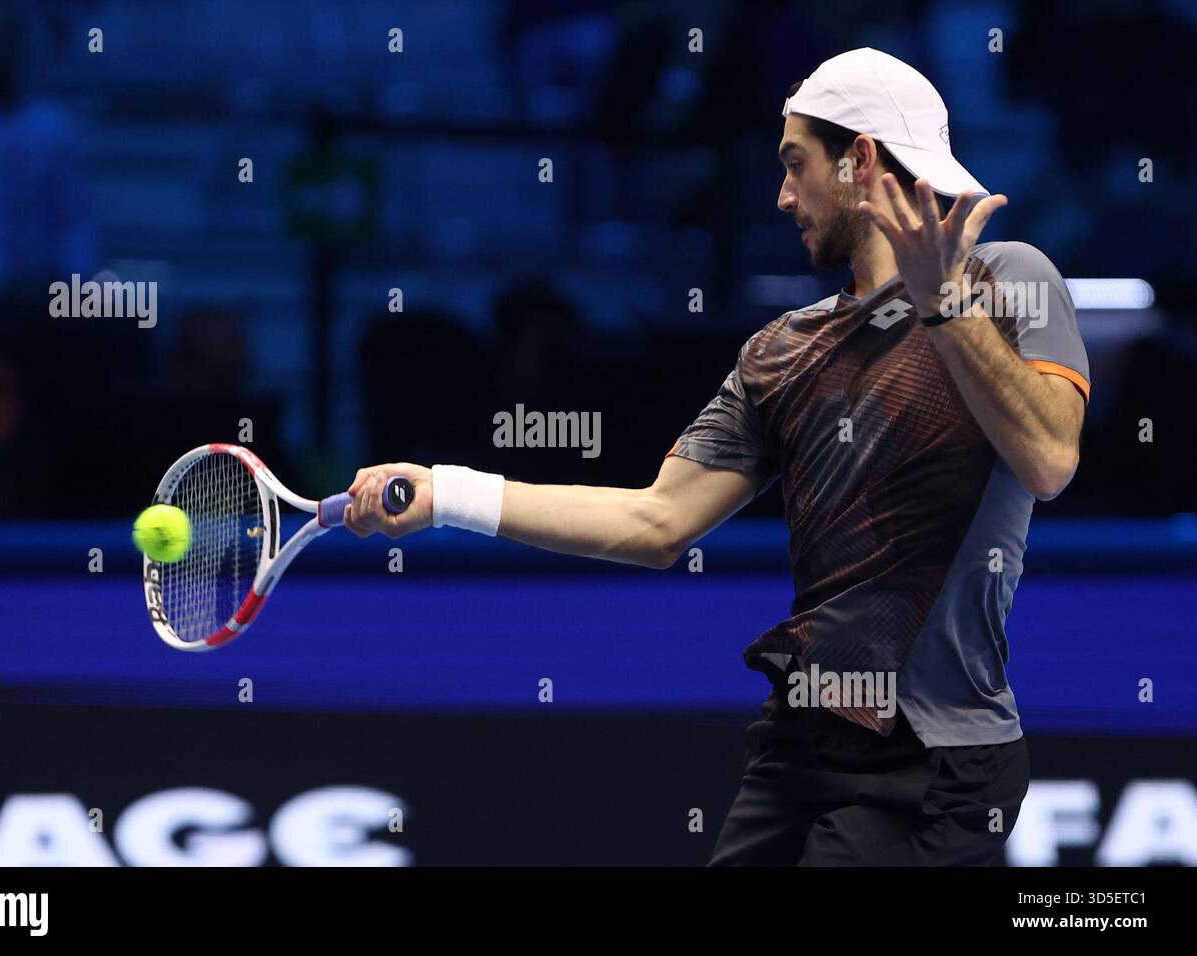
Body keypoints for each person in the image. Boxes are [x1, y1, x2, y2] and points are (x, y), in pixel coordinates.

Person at [342, 48, 1089, 866]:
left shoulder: (1010, 280)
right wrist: (449, 493)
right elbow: (657, 519)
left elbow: (1049, 457)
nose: (782, 196)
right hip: (804, 738)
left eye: (795, 165)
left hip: (937, 760)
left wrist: (943, 305)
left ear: (861, 160)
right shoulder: (781, 351)